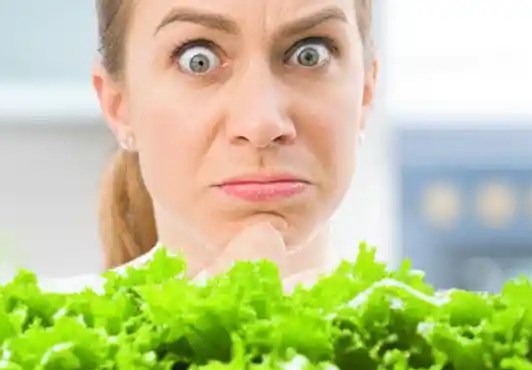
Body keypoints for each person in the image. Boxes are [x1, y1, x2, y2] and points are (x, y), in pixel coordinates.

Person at [48, 0, 378, 293]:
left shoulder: (427, 347)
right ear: (118, 104)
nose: (261, 124)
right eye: (198, 60)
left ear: (365, 93)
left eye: (310, 54)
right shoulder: (22, 343)